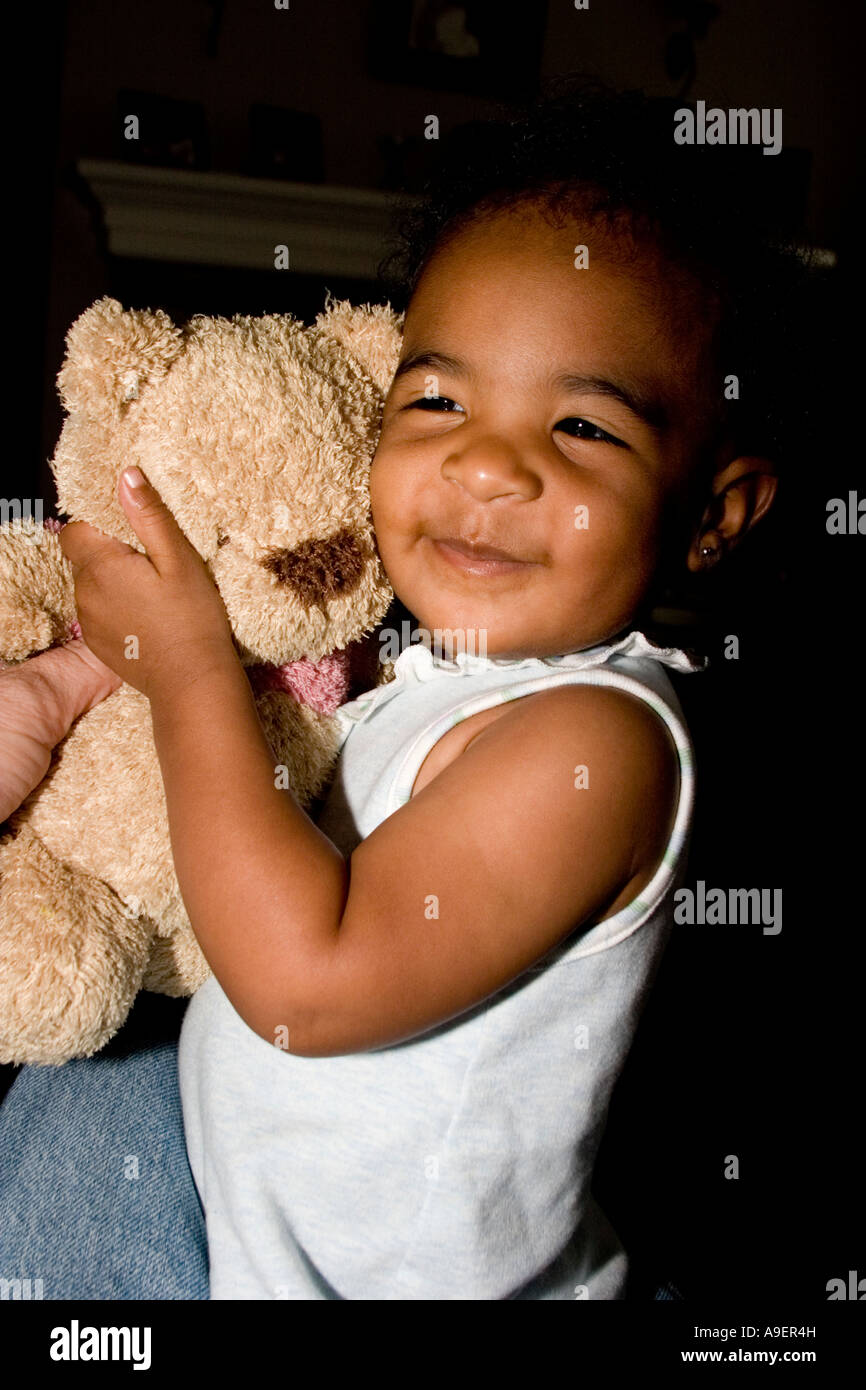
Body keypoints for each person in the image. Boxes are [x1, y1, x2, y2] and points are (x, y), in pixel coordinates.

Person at [0, 79, 806, 1300]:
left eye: (583, 428)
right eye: (436, 400)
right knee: (74, 1087)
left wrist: (188, 674)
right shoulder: (424, 673)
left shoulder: (599, 744)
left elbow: (304, 985)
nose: (484, 462)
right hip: (251, 1235)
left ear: (713, 513)